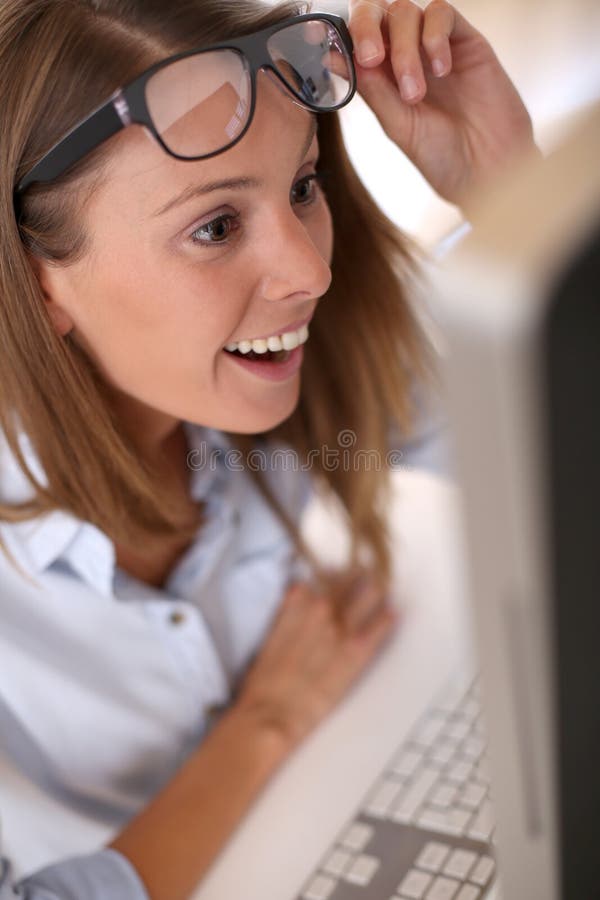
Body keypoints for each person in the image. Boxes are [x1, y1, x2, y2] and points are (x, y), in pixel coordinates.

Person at [0, 0, 541, 898]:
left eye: (301, 187)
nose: (310, 272)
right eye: (214, 227)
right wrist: (264, 726)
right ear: (37, 280)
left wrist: (509, 193)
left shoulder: (292, 354)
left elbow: (553, 460)